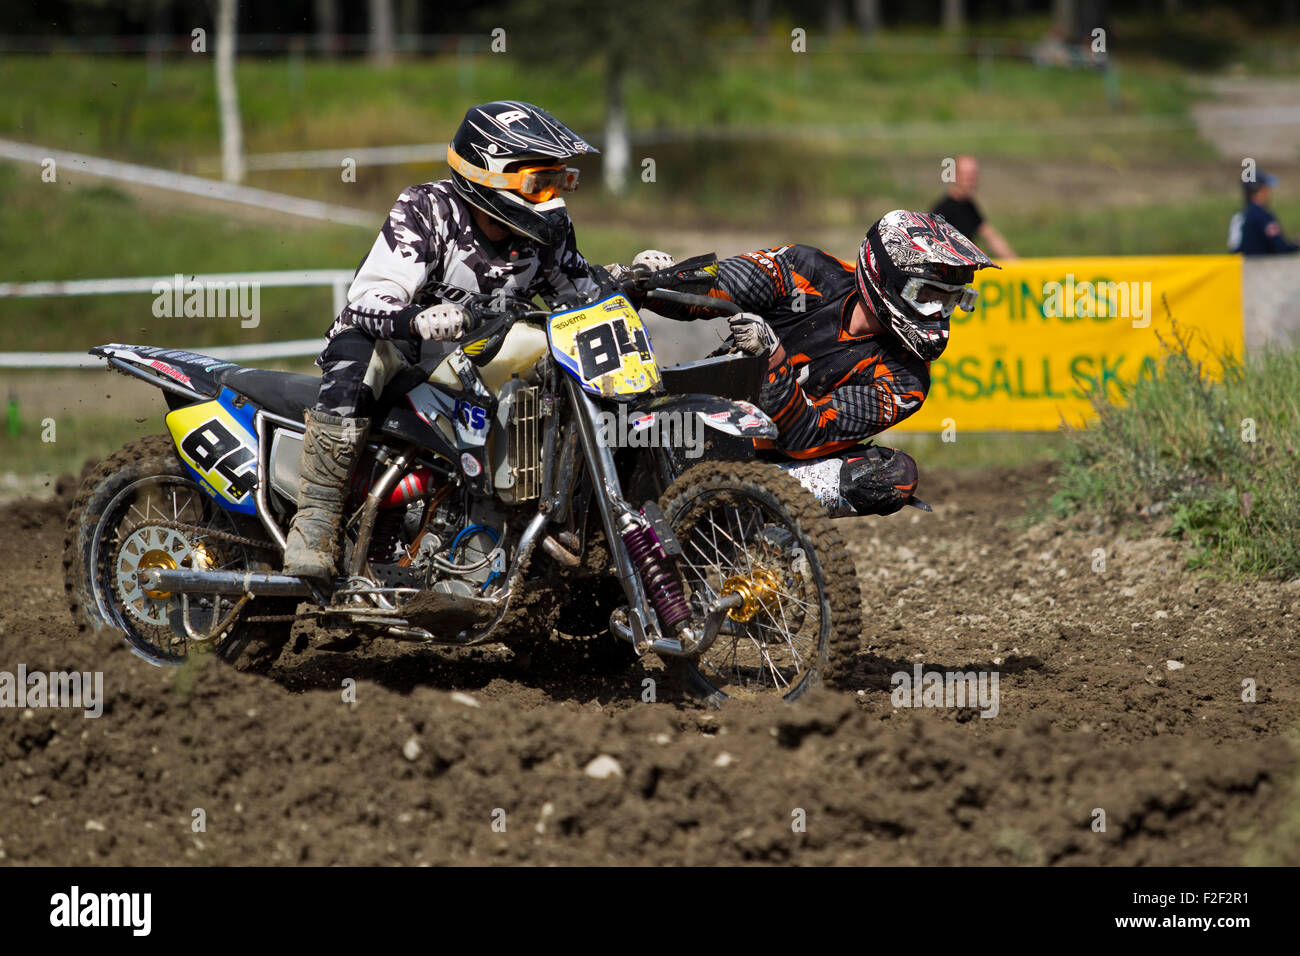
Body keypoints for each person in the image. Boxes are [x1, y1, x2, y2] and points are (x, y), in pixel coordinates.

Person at [283, 101, 600, 584]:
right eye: (540, 183)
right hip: (404, 347)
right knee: (360, 345)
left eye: (560, 182)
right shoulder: (427, 209)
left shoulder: (547, 234)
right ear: (492, 174)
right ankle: (316, 520)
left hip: (480, 358)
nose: (552, 196)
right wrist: (418, 317)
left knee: (560, 361)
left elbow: (582, 295)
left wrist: (632, 279)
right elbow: (369, 298)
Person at [627, 210, 999, 515]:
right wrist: (651, 281)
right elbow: (718, 286)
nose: (938, 314)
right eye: (928, 295)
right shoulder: (806, 270)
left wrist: (772, 359)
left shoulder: (907, 380)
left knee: (894, 475)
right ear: (886, 277)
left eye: (950, 301)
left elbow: (806, 436)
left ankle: (763, 526)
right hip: (688, 425)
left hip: (768, 468)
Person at [930, 155, 1017, 260]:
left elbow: (990, 237)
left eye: (974, 176)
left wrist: (1016, 264)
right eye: (967, 176)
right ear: (955, 176)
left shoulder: (969, 206)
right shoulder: (942, 210)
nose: (972, 181)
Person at [1227, 171, 1299, 255]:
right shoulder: (1263, 215)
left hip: (1240, 266)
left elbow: (1234, 249)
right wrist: (1297, 244)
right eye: (1266, 188)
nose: (1268, 192)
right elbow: (1281, 247)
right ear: (1259, 191)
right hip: (1260, 266)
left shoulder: (1239, 216)